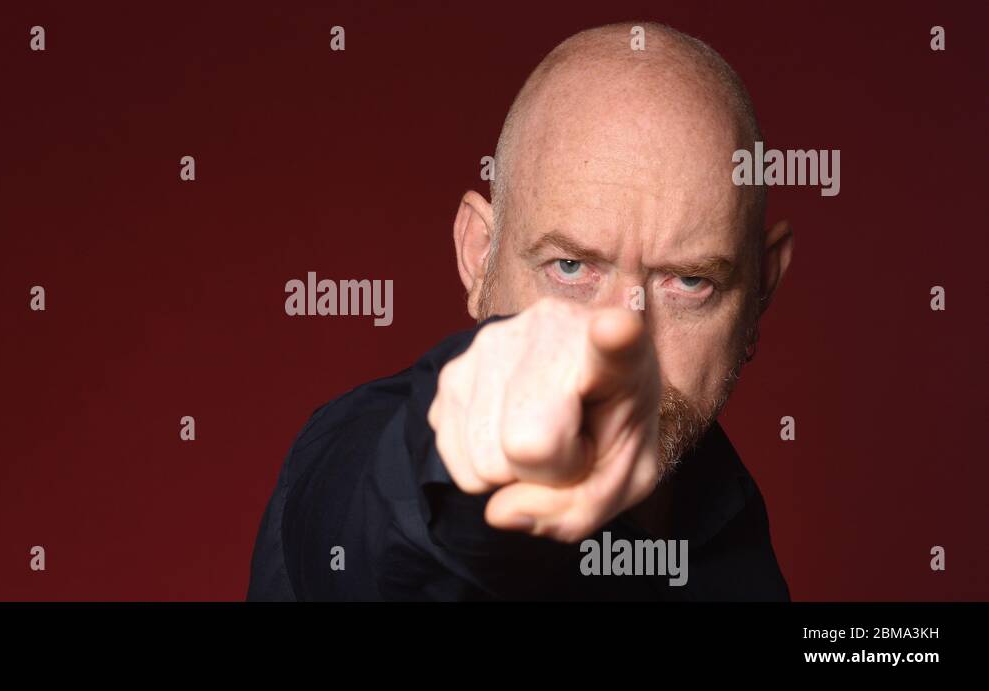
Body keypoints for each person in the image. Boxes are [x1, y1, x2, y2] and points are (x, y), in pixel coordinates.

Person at [248, 21, 794, 601]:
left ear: (762, 287)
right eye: (570, 268)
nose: (623, 338)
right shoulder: (354, 451)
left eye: (689, 280)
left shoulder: (727, 519)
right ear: (479, 255)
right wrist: (466, 473)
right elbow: (380, 524)